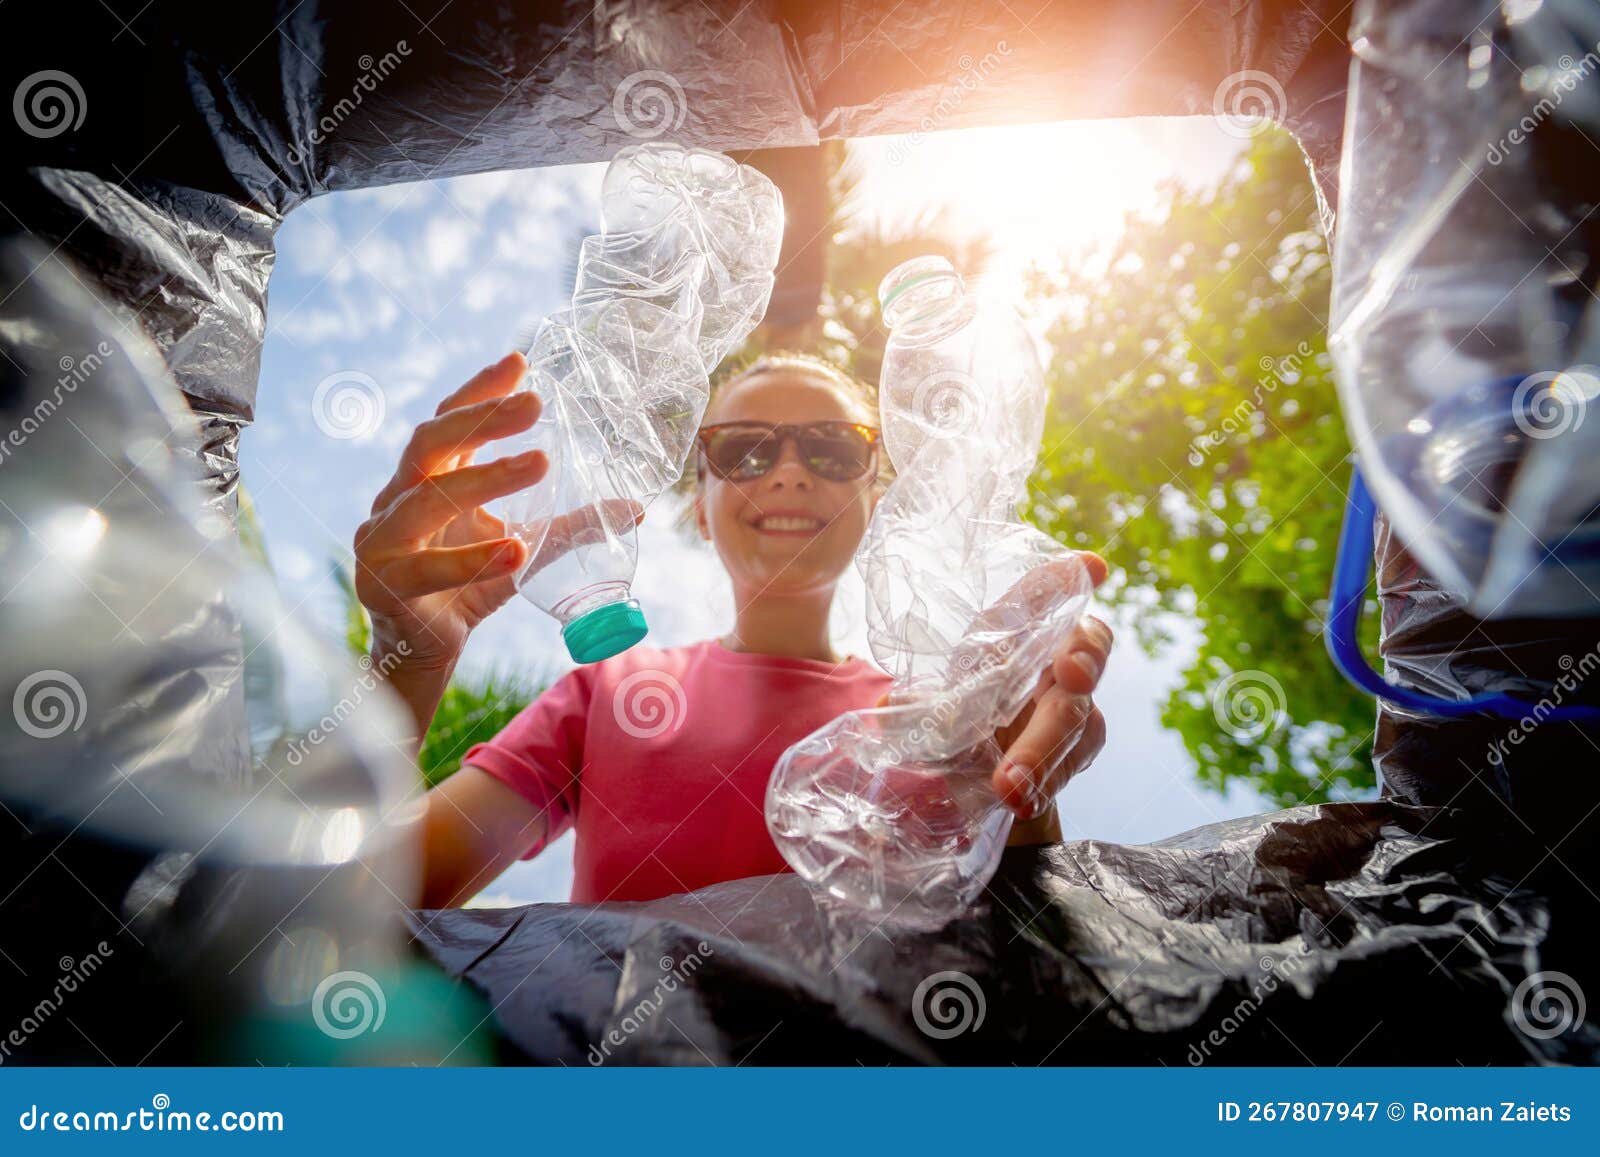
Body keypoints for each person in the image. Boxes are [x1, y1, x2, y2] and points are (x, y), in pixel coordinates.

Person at [356, 349, 1113, 908]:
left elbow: (1025, 969)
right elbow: (364, 907)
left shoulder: (943, 715)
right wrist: (406, 666)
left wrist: (1021, 793)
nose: (789, 472)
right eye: (746, 448)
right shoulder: (608, 694)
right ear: (701, 502)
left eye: (833, 446)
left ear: (876, 498)